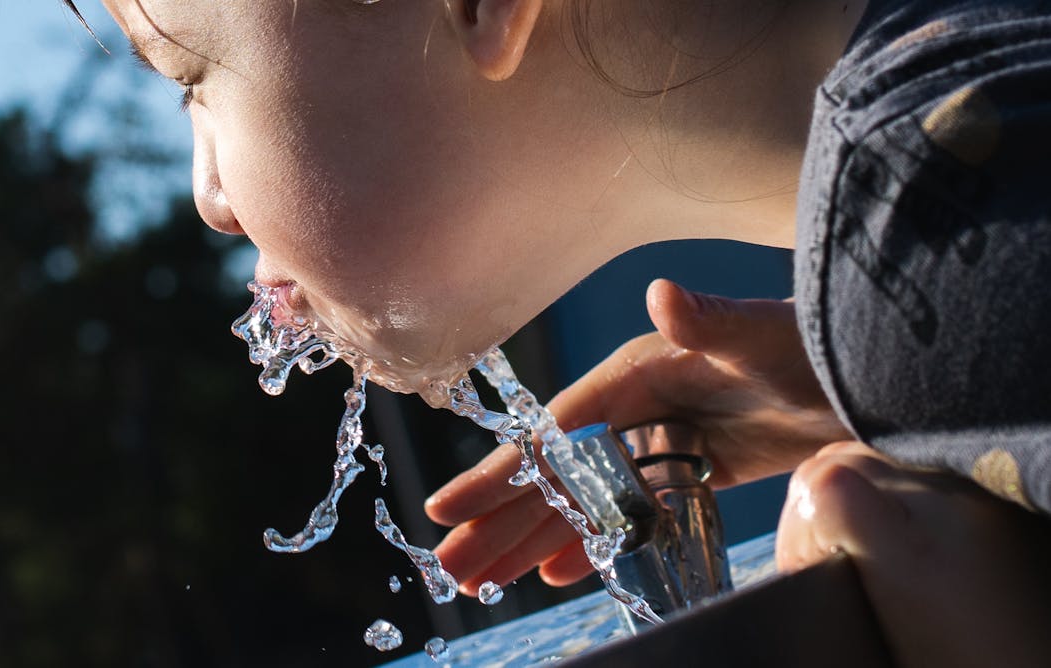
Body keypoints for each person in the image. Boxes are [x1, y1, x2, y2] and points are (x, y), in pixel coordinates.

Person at [73, 0, 1051, 664]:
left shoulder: (930, 226)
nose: (209, 199)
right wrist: (891, 395)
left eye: (193, 78)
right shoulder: (970, 146)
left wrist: (946, 596)